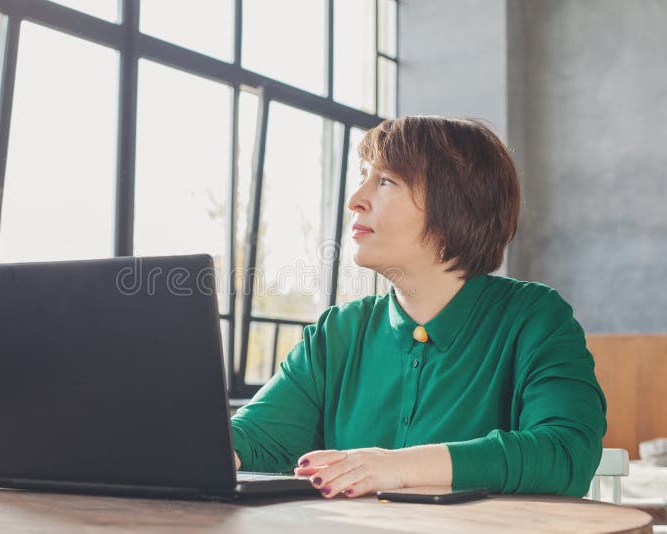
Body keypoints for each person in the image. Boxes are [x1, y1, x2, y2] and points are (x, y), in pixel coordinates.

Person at [229, 115, 607, 499]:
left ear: (454, 204)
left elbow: (566, 453)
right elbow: (257, 440)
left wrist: (396, 467)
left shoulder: (535, 318)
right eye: (364, 176)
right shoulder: (338, 332)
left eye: (385, 181)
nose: (355, 200)